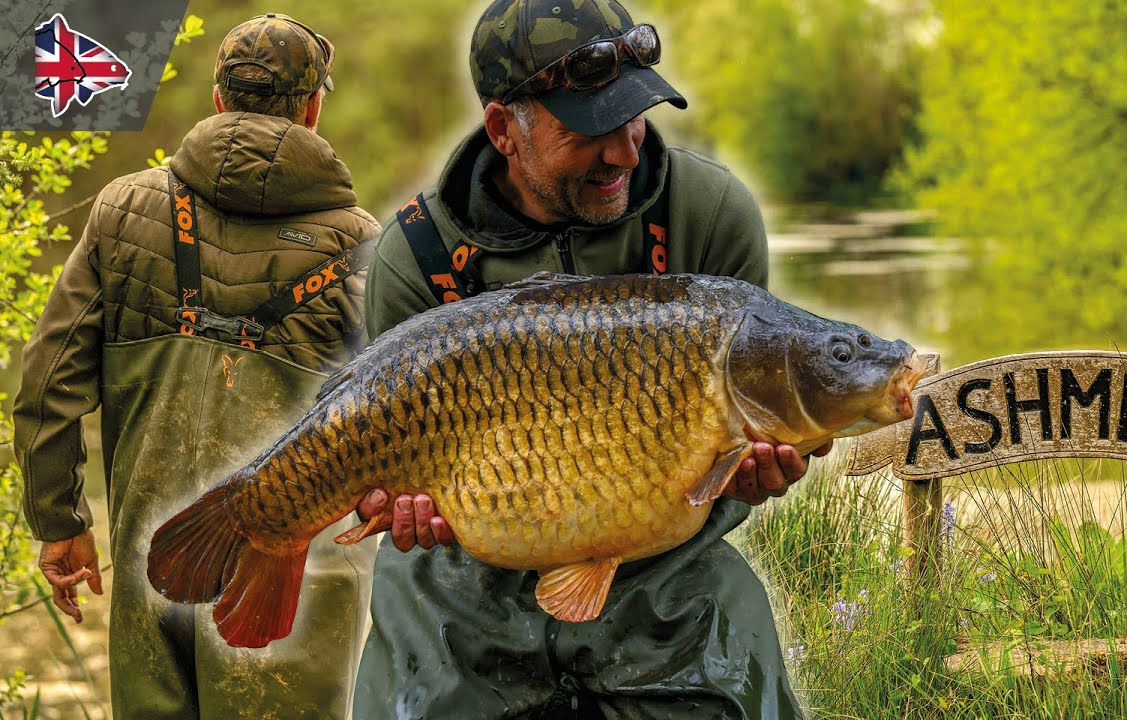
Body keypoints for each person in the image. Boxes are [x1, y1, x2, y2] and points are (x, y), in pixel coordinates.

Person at [352, 1, 832, 717]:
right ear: (502, 130)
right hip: (466, 573)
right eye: (589, 131)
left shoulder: (708, 214)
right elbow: (398, 482)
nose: (627, 152)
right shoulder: (415, 257)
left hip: (662, 567)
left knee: (734, 655)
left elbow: (731, 450)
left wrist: (745, 475)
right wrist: (404, 510)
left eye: (633, 116)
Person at [14, 14, 390, 719]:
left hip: (149, 559)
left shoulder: (124, 209)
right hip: (296, 591)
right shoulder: (365, 247)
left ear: (219, 98)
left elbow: (47, 379)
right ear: (313, 108)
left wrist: (60, 520)